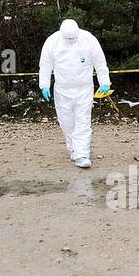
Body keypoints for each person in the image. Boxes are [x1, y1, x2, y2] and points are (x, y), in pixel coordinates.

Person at [39, 19, 111, 168]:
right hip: (62, 90)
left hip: (84, 89)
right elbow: (45, 65)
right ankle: (73, 147)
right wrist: (44, 85)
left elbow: (100, 62)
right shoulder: (52, 42)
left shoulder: (89, 40)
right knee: (66, 121)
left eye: (73, 38)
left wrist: (104, 82)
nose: (70, 41)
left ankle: (82, 154)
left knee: (83, 121)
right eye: (68, 38)